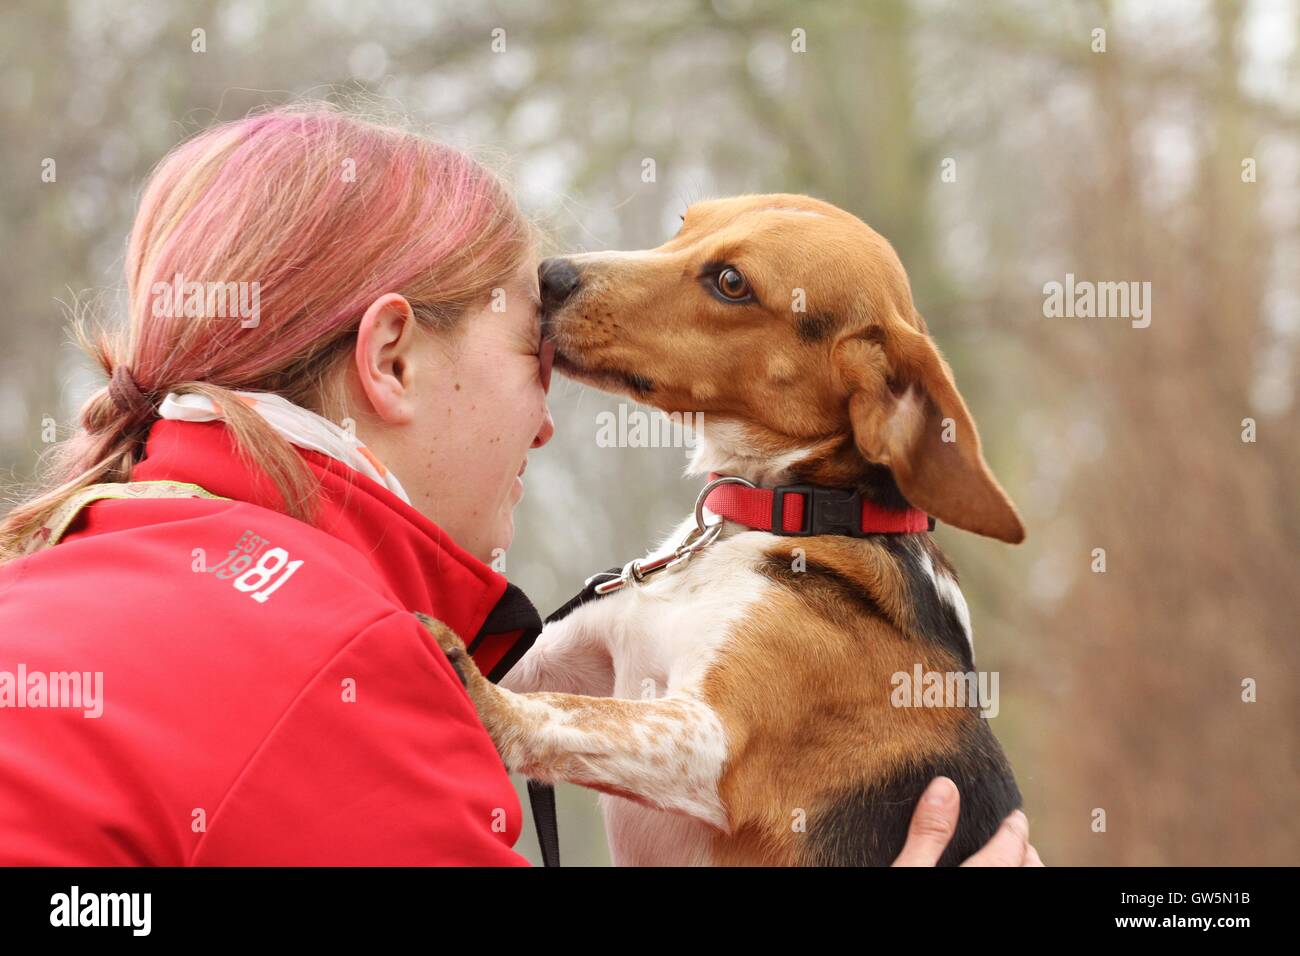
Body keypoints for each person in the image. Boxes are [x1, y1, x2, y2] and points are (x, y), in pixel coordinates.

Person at [0, 106, 1039, 866]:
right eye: (530, 362)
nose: (546, 422)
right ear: (392, 359)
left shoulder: (50, 569)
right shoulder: (359, 673)